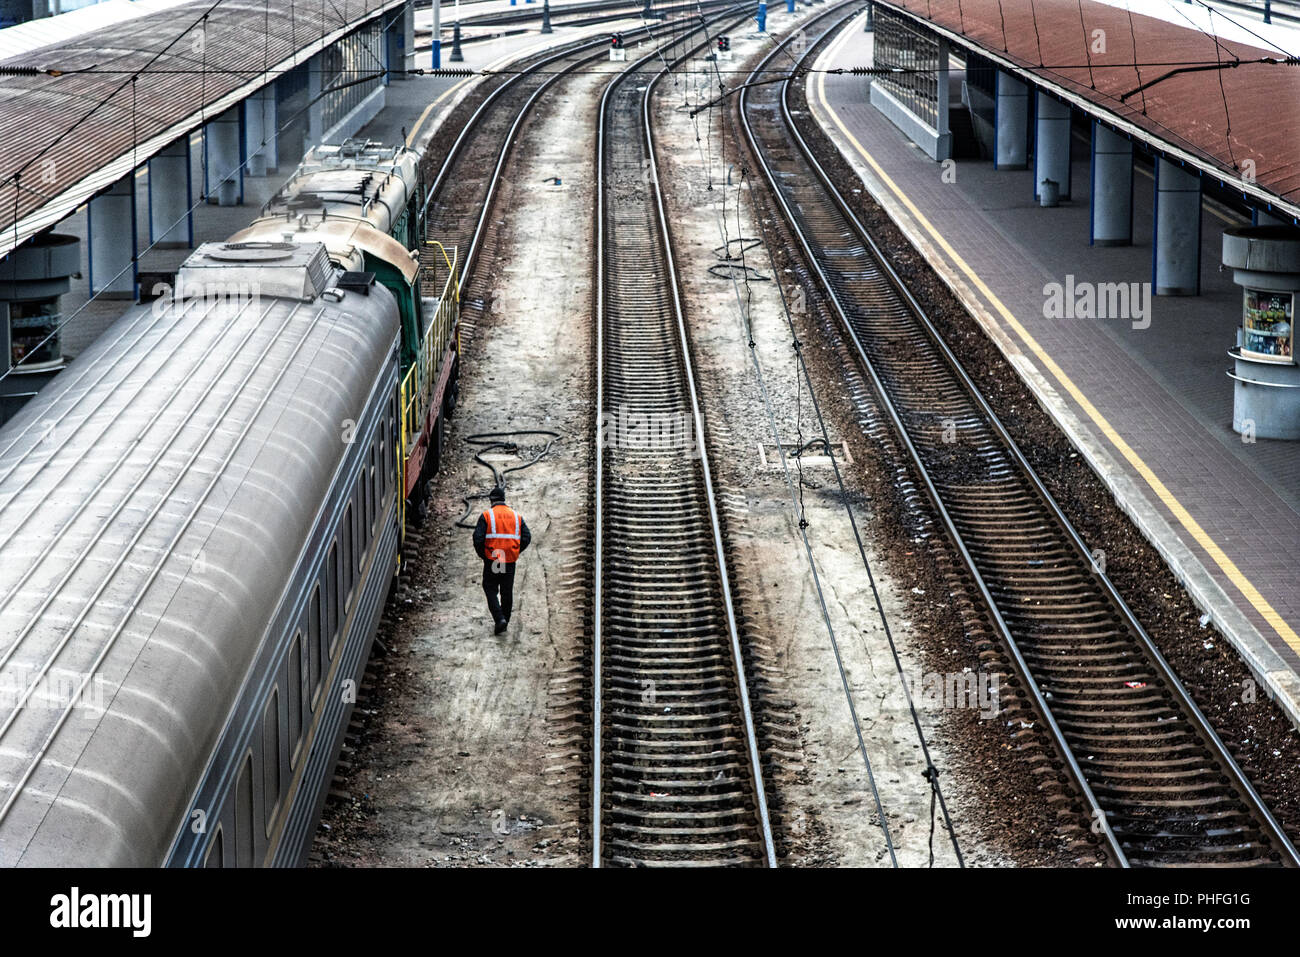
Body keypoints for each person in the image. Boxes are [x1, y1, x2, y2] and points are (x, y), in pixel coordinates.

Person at [472, 486, 531, 634]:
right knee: (506, 590)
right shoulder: (516, 516)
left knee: (490, 587)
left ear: (491, 500)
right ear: (504, 500)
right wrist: (514, 551)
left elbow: (477, 539)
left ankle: (499, 619)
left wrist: (484, 556)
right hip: (508, 559)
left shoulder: (487, 515)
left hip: (495, 558)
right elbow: (527, 537)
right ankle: (505, 619)